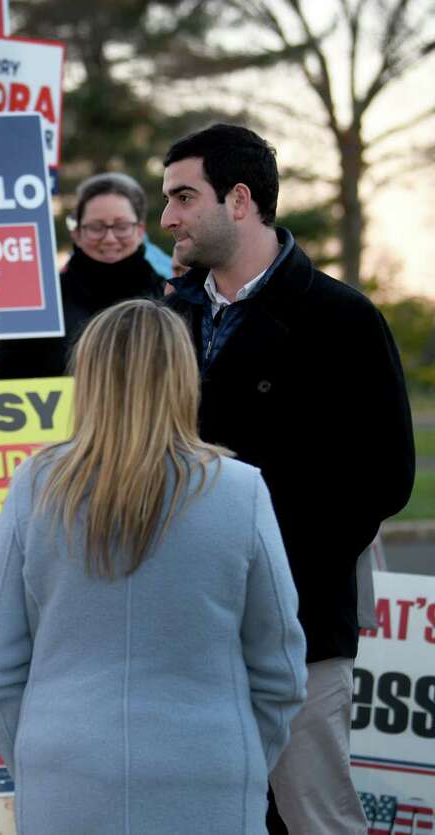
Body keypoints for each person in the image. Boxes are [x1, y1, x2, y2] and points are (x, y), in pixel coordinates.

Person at [0, 299, 308, 833]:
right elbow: (281, 667)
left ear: (88, 376)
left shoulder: (35, 483)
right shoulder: (240, 490)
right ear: (183, 376)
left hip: (65, 769)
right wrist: (239, 758)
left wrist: (40, 757)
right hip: (207, 767)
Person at [161, 123, 415, 833]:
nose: (169, 218)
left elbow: (385, 475)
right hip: (181, 631)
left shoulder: (344, 319)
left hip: (299, 629)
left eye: (184, 196)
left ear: (239, 199)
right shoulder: (168, 319)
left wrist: (269, 558)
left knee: (315, 818)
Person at [0, 172, 164, 379]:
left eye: (121, 226)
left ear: (140, 231)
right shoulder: (43, 304)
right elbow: (8, 378)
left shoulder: (168, 297)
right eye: (96, 227)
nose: (109, 238)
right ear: (77, 233)